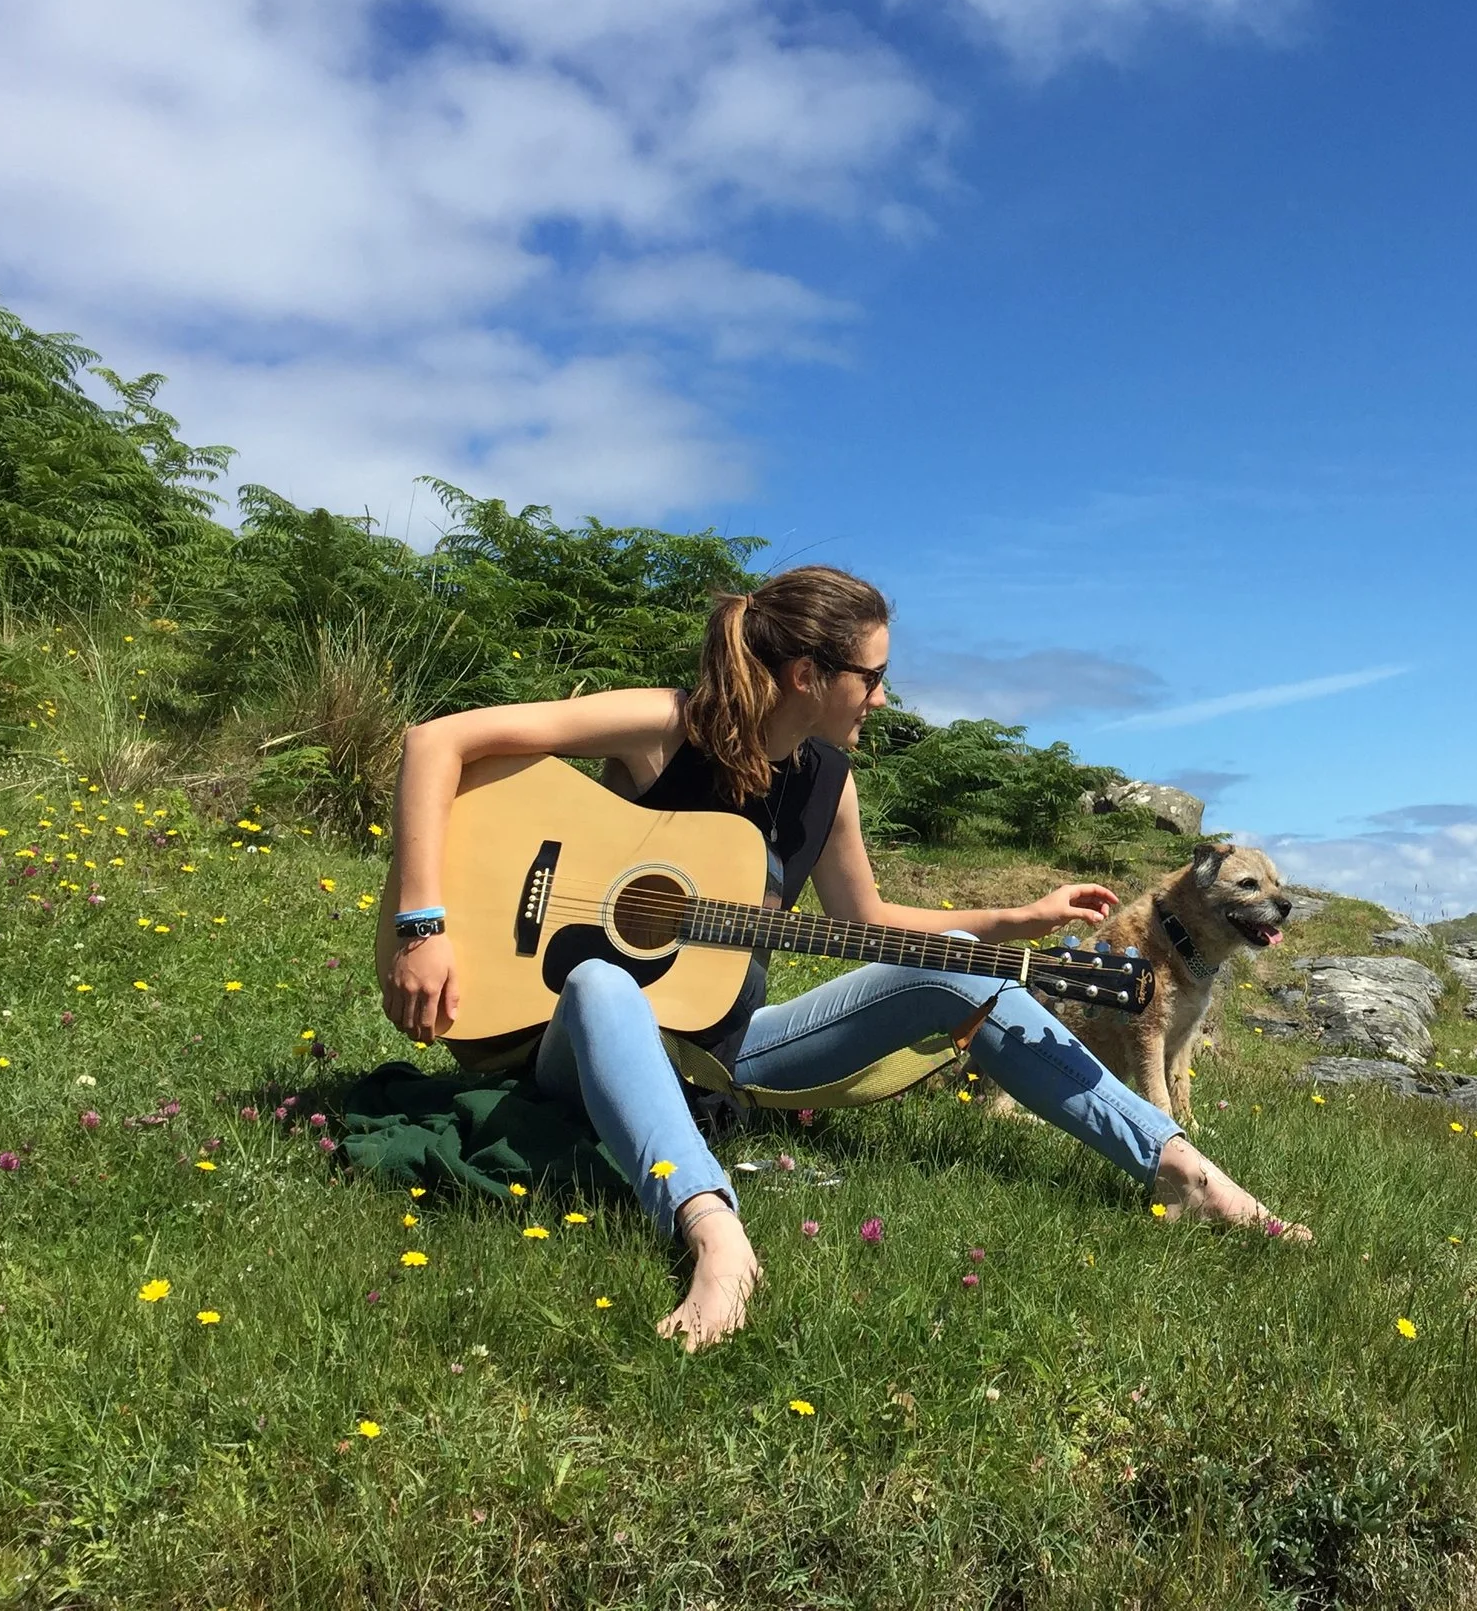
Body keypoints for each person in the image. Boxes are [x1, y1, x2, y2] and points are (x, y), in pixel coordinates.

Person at [380, 566, 1308, 1350]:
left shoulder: (831, 778)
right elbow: (439, 740)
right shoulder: (667, 724)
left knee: (947, 956)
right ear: (804, 673)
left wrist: (1015, 918)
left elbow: (865, 917)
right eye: (873, 676)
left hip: (726, 1047)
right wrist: (423, 924)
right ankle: (715, 1234)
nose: (884, 696)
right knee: (600, 976)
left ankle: (1179, 1167)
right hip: (578, 1040)